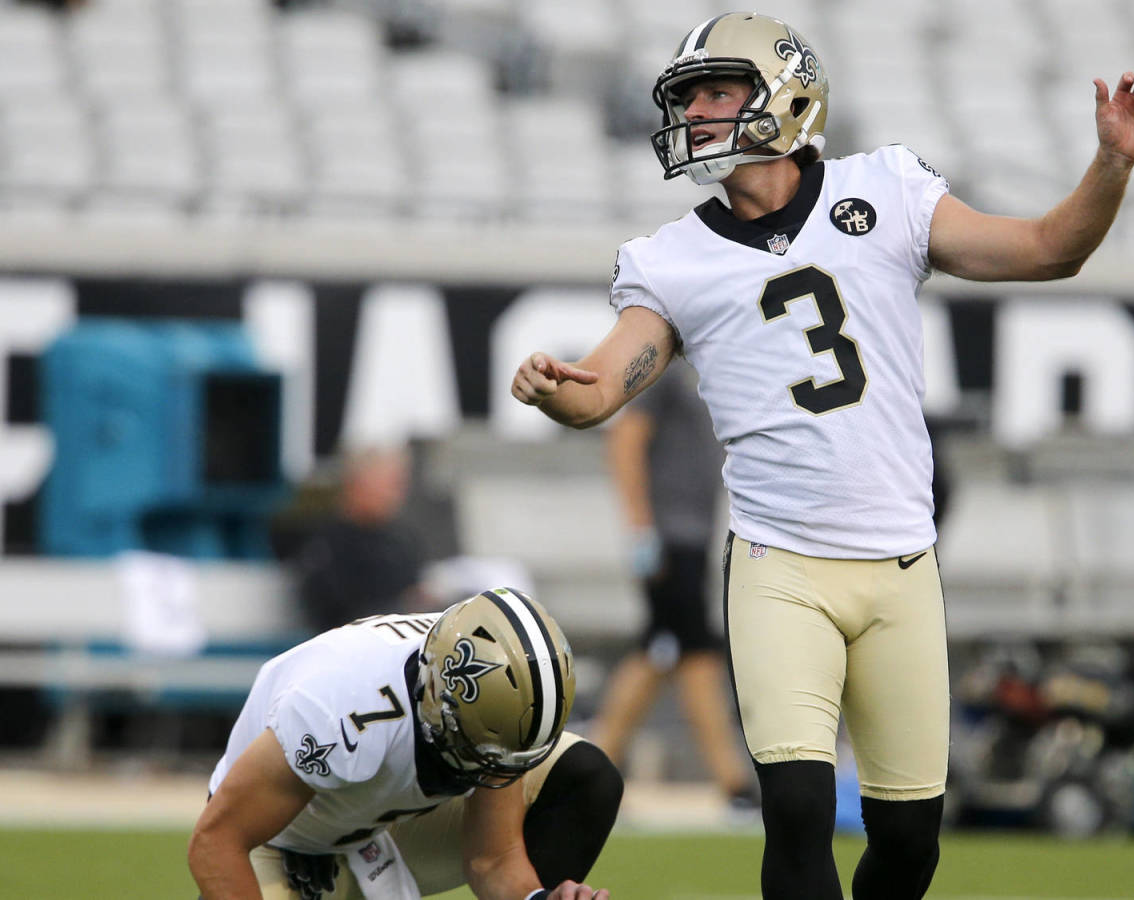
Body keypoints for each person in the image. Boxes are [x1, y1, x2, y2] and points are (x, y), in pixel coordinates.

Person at [509, 13, 1134, 900]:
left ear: (786, 95)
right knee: (797, 808)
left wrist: (1112, 163)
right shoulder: (671, 260)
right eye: (687, 98)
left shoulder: (885, 189)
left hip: (900, 564)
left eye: (716, 92)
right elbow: (597, 392)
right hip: (779, 566)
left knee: (909, 844)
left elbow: (1051, 250)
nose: (694, 113)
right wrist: (554, 388)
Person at [189, 587, 621, 900]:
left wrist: (538, 899)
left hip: (377, 820)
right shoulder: (339, 709)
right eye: (480, 749)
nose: (491, 773)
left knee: (585, 775)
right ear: (437, 697)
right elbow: (216, 842)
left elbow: (493, 859)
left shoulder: (486, 702)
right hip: (283, 841)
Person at [592, 359, 755, 809]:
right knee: (694, 651)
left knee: (661, 650)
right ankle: (734, 784)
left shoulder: (702, 365)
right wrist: (641, 528)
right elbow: (625, 438)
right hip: (669, 537)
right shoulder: (663, 370)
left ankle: (593, 768)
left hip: (689, 537)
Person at [289, 444, 431, 633]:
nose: (398, 493)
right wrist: (404, 605)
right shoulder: (326, 545)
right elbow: (336, 614)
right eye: (390, 482)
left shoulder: (403, 539)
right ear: (357, 483)